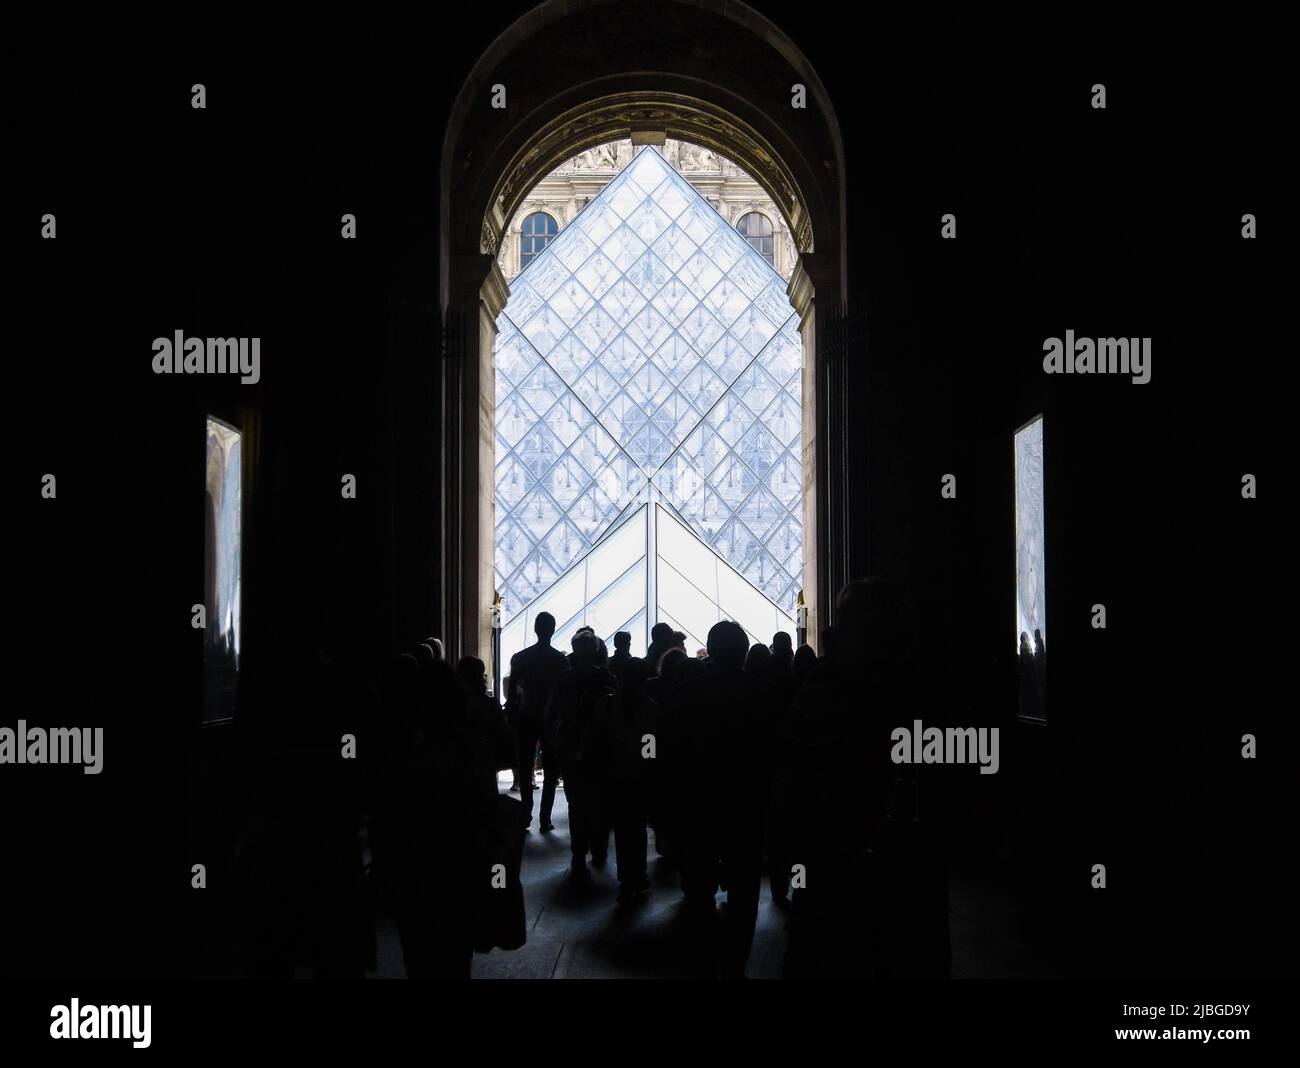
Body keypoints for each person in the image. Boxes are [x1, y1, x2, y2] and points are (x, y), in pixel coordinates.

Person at [669, 620, 775, 978]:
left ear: (710, 651)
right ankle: (736, 962)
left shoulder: (686, 694)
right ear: (744, 651)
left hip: (699, 806)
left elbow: (670, 754)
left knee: (698, 886)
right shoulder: (763, 694)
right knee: (745, 890)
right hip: (746, 807)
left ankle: (704, 952)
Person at [548, 633, 617, 874]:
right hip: (601, 748)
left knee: (576, 803)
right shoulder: (607, 677)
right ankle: (599, 849)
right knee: (600, 801)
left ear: (575, 650)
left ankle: (579, 851)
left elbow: (553, 714)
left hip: (571, 746)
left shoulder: (564, 679)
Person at [505, 613, 568, 832]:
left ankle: (526, 813)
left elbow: (512, 693)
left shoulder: (521, 657)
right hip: (550, 719)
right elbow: (565, 694)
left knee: (524, 767)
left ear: (535, 628)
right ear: (552, 629)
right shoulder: (560, 660)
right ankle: (545, 817)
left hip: (526, 716)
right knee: (551, 770)